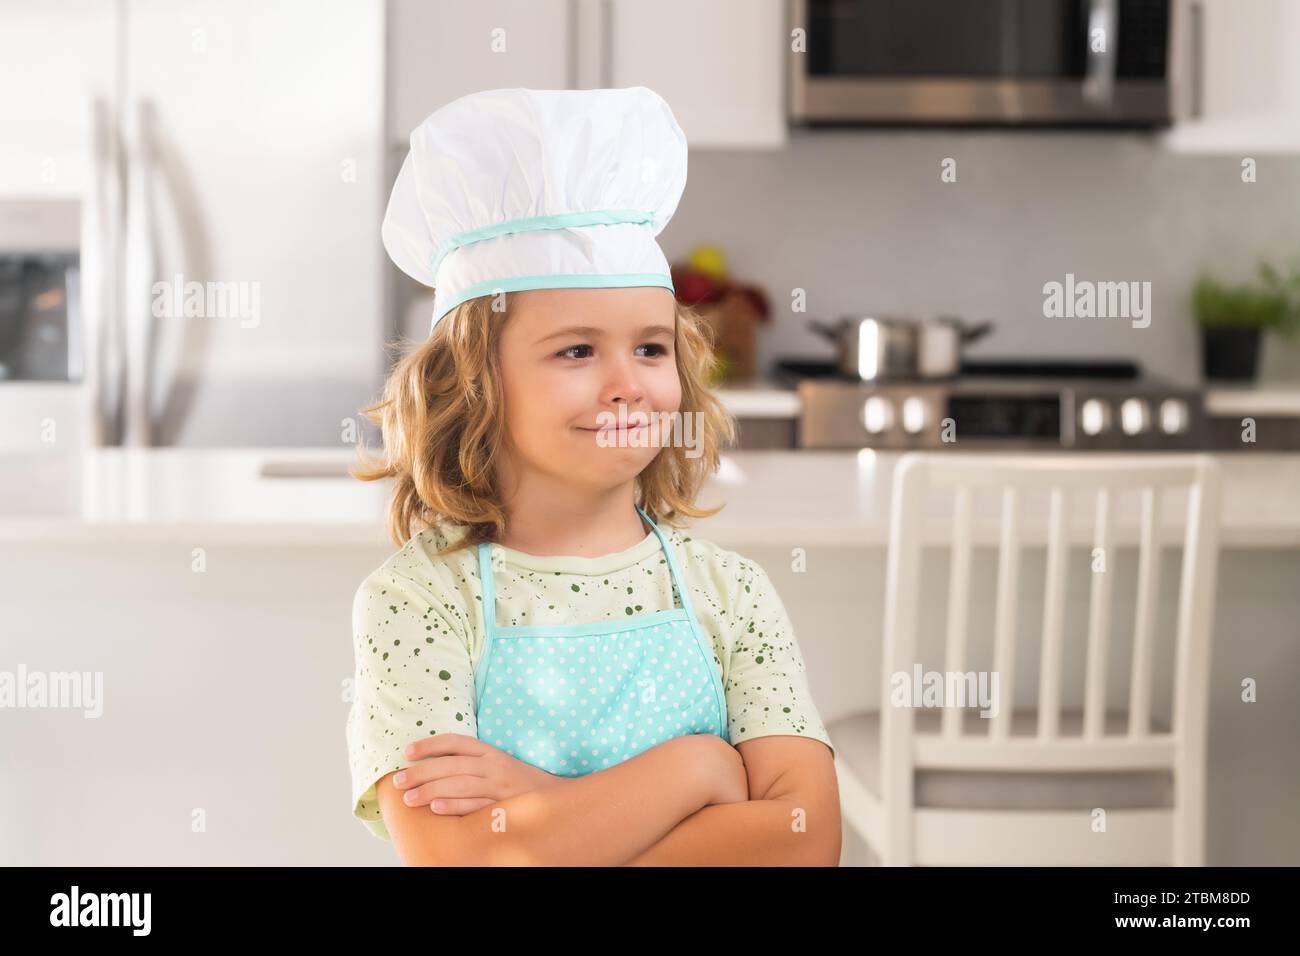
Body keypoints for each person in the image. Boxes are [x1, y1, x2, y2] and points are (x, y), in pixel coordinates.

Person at [345, 86, 839, 866]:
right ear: (474, 381)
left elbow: (804, 842)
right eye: (577, 350)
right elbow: (460, 859)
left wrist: (534, 802)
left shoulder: (730, 594)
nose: (628, 383)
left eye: (649, 348)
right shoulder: (418, 602)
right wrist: (697, 770)